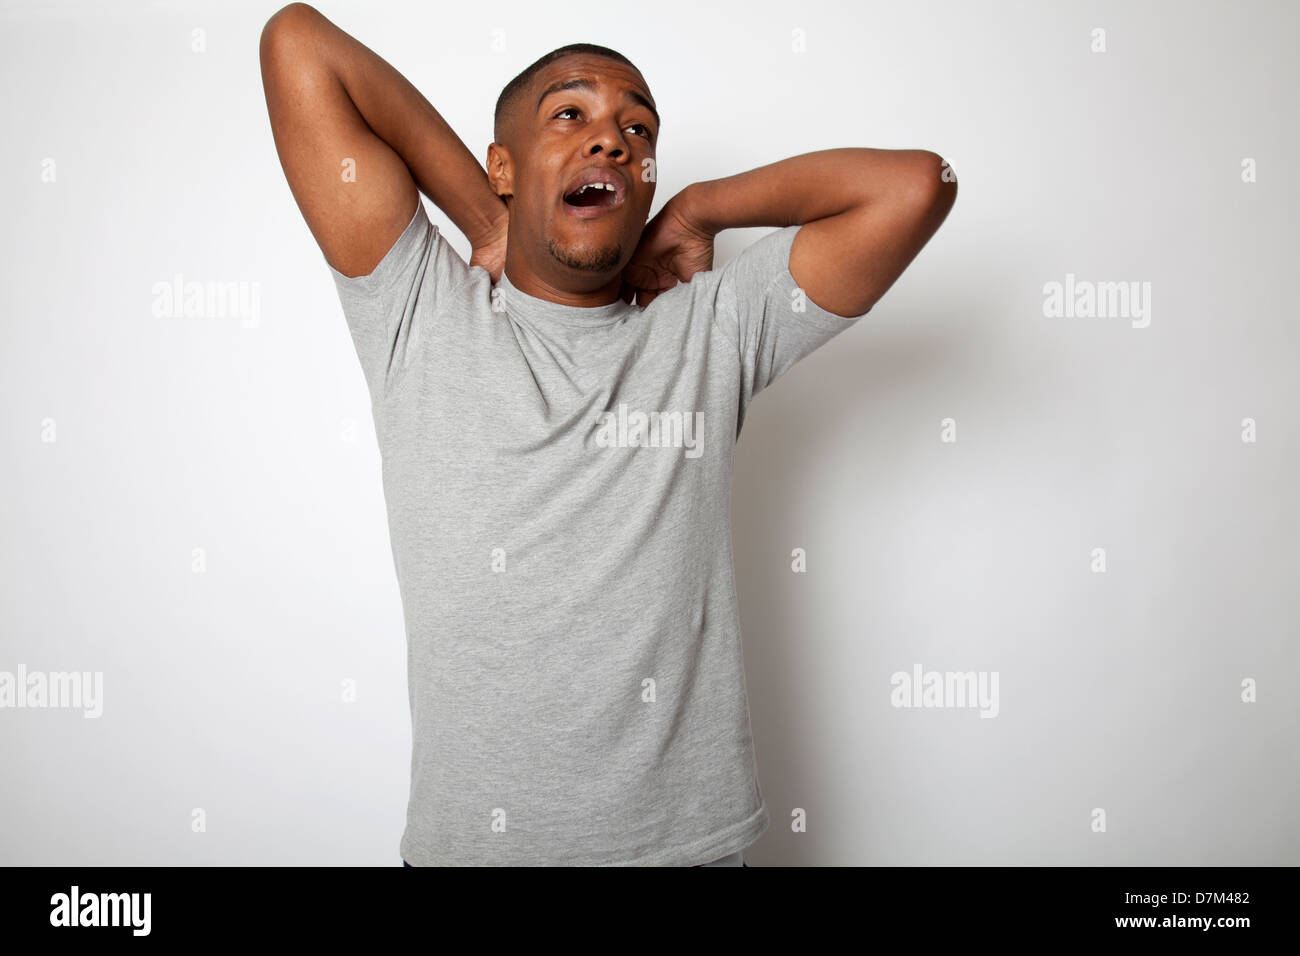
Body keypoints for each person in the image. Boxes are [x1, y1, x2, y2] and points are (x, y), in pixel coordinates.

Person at [259, 2, 956, 867]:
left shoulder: (710, 330)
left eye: (639, 129)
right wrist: (484, 221)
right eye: (570, 113)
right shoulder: (418, 313)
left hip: (686, 856)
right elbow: (298, 42)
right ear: (505, 167)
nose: (613, 140)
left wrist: (704, 209)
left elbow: (921, 184)